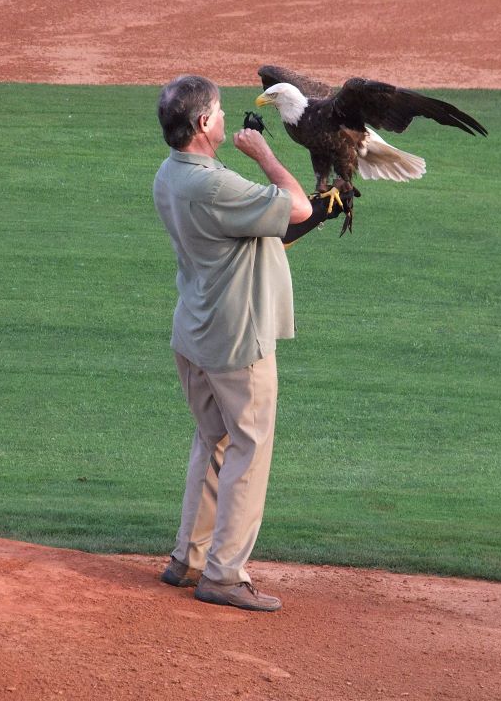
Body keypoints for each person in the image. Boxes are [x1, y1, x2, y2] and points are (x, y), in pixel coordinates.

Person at [152, 74, 312, 612]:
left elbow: (252, 229)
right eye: (219, 111)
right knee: (248, 447)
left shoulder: (169, 174)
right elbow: (298, 208)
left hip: (193, 331)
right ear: (203, 123)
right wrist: (266, 155)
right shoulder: (215, 186)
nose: (225, 117)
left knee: (213, 439)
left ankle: (189, 558)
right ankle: (223, 575)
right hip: (236, 341)